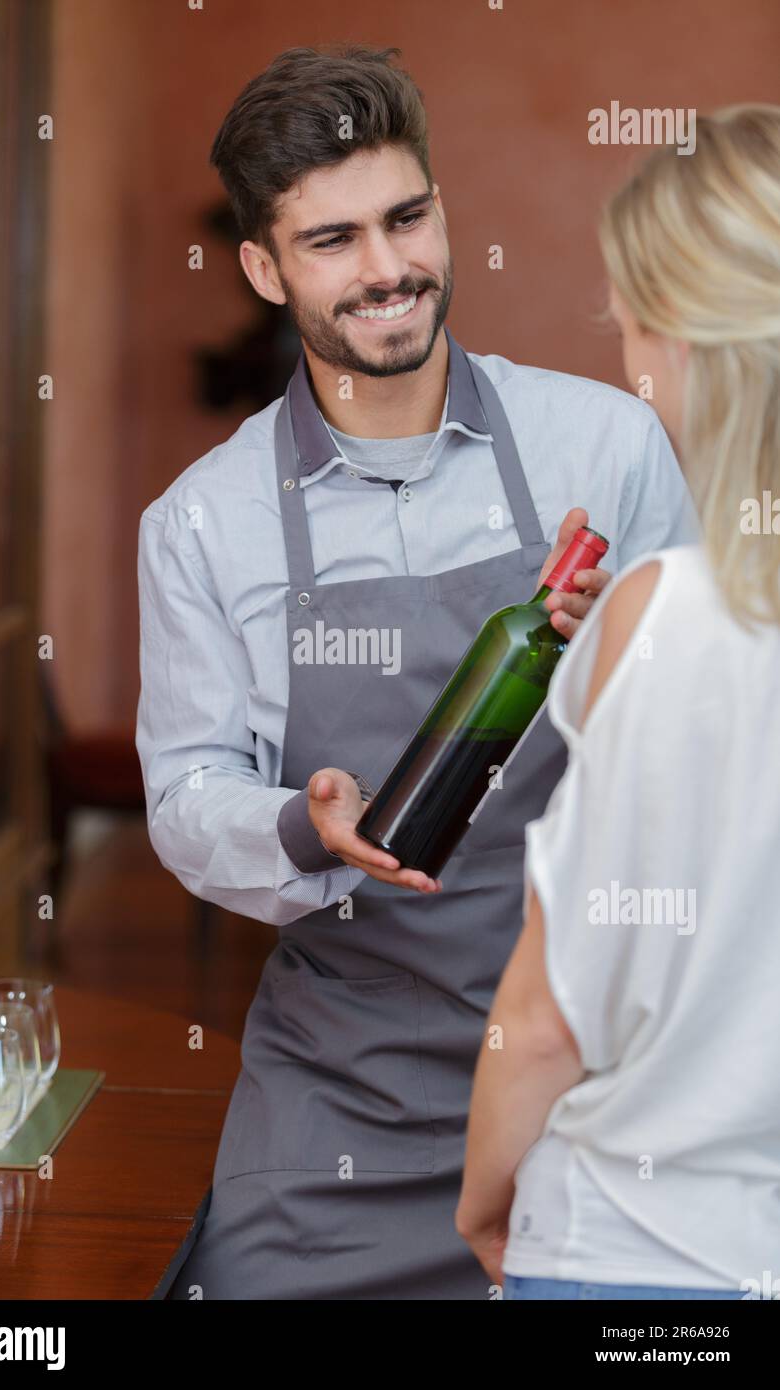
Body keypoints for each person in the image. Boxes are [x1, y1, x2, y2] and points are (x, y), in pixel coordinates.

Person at [136, 44, 699, 1300]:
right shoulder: (199, 523)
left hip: (589, 1065)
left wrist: (626, 646)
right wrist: (302, 820)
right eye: (331, 241)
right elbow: (182, 796)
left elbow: (708, 754)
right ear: (264, 269)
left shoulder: (601, 445)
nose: (387, 270)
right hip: (344, 1085)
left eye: (405, 218)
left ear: (442, 213)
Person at [457, 103, 780, 1301]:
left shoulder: (666, 614)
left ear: (681, 338)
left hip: (639, 1262)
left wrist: (485, 1197)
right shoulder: (653, 621)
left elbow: (546, 1018)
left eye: (626, 315)